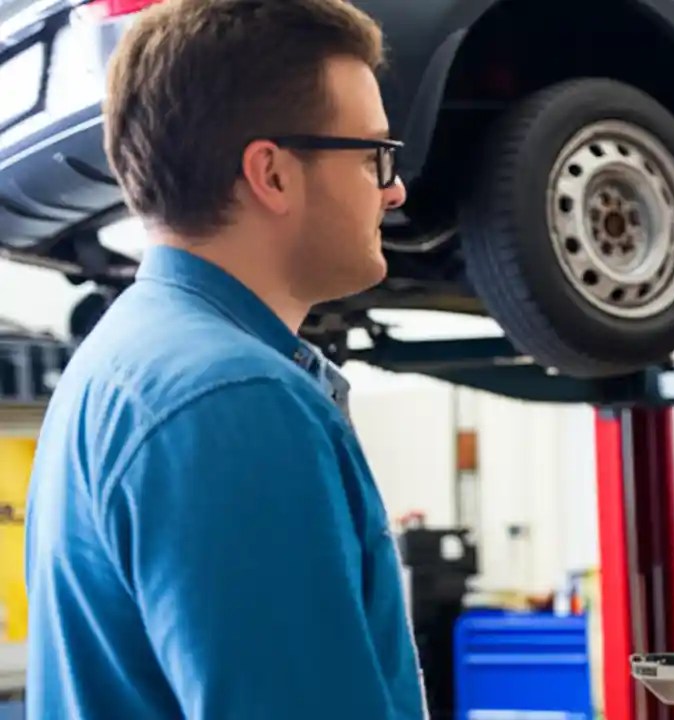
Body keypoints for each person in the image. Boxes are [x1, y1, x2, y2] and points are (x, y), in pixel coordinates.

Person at [23, 1, 426, 718]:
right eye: (372, 155)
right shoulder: (232, 401)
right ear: (271, 174)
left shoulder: (124, 365)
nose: (392, 188)